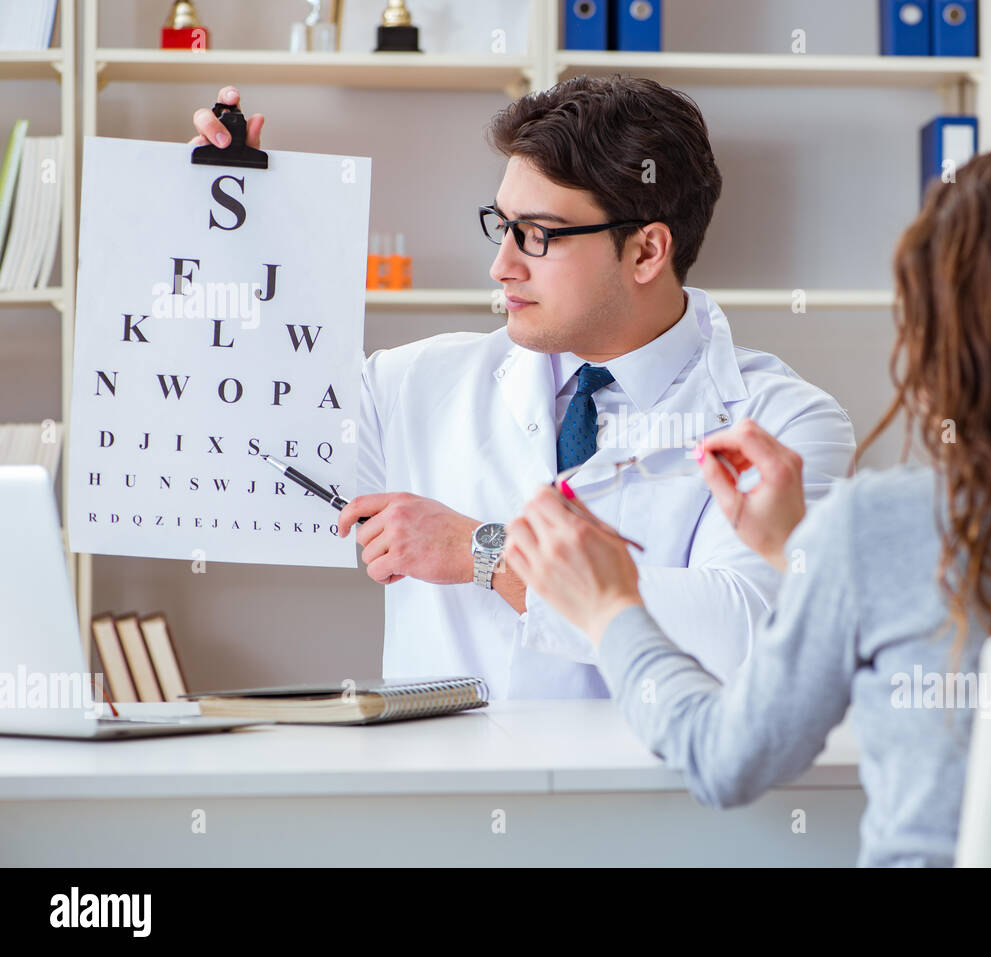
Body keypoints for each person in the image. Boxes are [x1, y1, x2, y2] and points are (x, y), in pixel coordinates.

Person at [502, 143, 991, 865]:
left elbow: (724, 759)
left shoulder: (885, 524)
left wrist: (610, 606)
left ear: (954, 332)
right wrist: (801, 554)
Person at [190, 79, 856, 698]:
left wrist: (483, 553)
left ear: (648, 251)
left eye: (537, 235)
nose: (500, 264)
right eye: (502, 224)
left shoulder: (783, 423)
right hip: (439, 809)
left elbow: (751, 632)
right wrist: (232, 228)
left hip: (661, 812)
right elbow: (242, 435)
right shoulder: (411, 385)